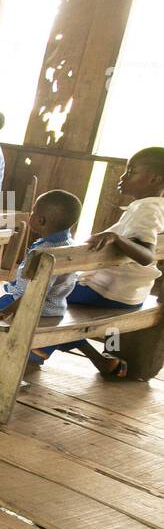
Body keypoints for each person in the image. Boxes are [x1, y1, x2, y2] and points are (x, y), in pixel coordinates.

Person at [58, 147, 164, 379]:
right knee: (110, 323)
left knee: (47, 298)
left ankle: (41, 349)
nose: (123, 177)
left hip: (106, 293)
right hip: (130, 297)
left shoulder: (145, 209)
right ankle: (110, 354)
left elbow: (145, 255)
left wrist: (116, 238)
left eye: (132, 172)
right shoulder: (156, 207)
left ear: (155, 179)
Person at [0, 191, 82, 364]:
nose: (31, 215)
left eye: (33, 212)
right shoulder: (69, 245)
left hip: (27, 304)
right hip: (57, 307)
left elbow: (34, 294)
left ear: (40, 221)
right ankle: (38, 349)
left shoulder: (44, 253)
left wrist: (8, 310)